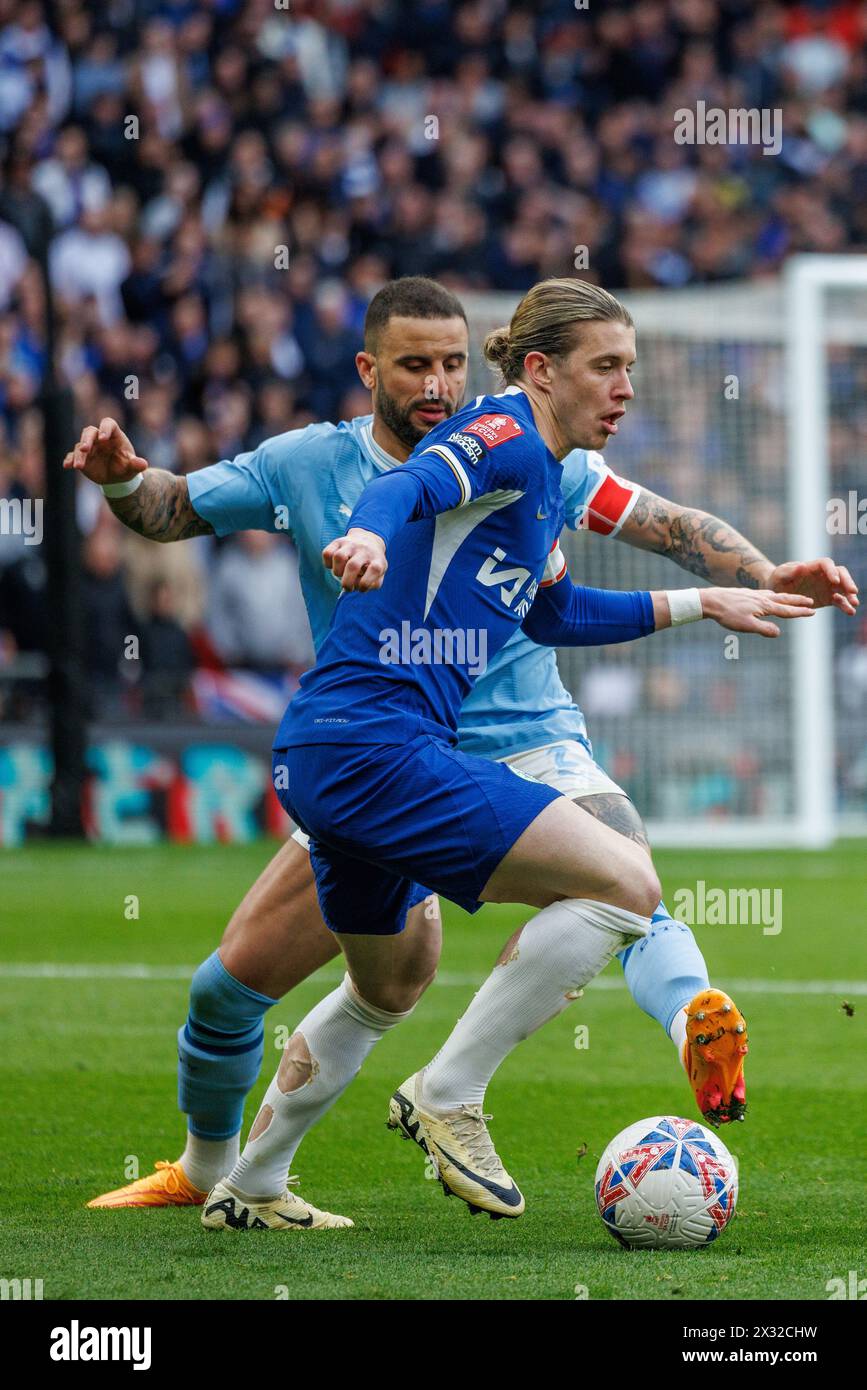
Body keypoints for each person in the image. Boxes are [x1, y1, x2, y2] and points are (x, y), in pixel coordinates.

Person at [66, 277, 857, 1226]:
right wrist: (348, 525)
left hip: (408, 750)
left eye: (451, 361)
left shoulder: (547, 470)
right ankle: (433, 1096)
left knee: (398, 975)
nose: (439, 384)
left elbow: (582, 588)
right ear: (373, 370)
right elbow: (397, 484)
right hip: (387, 751)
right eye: (606, 368)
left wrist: (732, 591)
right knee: (618, 887)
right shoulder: (475, 440)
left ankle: (258, 1184)